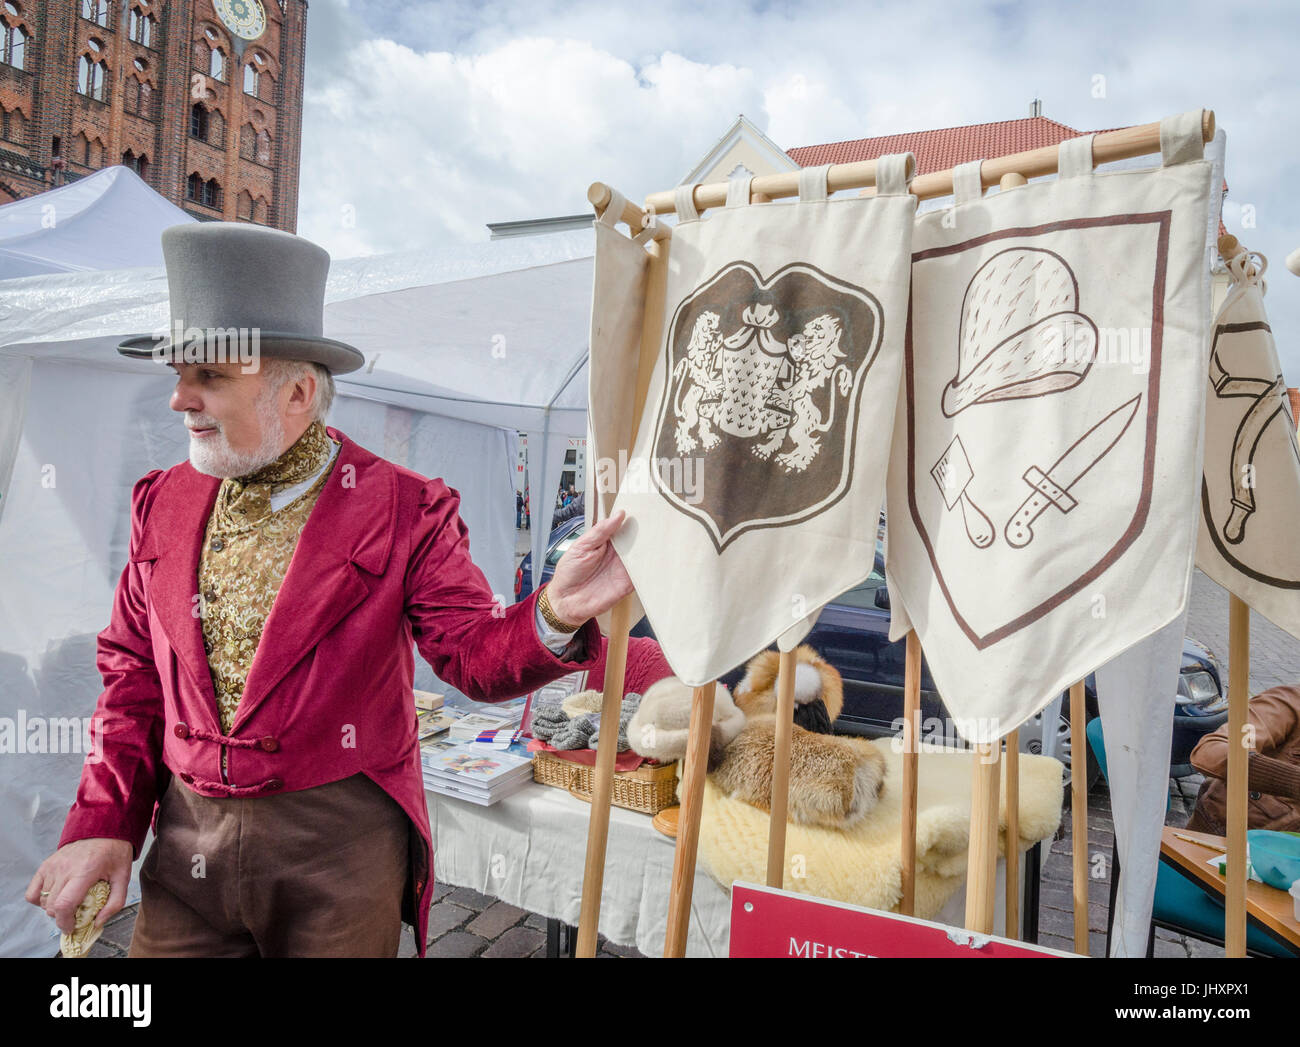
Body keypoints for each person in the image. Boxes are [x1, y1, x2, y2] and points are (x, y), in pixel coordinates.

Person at [24, 222, 635, 957]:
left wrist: (554, 611)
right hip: (187, 844)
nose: (179, 398)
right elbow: (132, 679)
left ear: (299, 393)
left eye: (210, 376)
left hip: (338, 852)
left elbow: (471, 655)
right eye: (179, 372)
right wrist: (104, 823)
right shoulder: (162, 500)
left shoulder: (405, 507)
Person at [1185, 682, 1300, 835]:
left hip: (1283, 853)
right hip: (1219, 839)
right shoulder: (1290, 702)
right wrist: (1293, 780)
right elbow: (1211, 750)